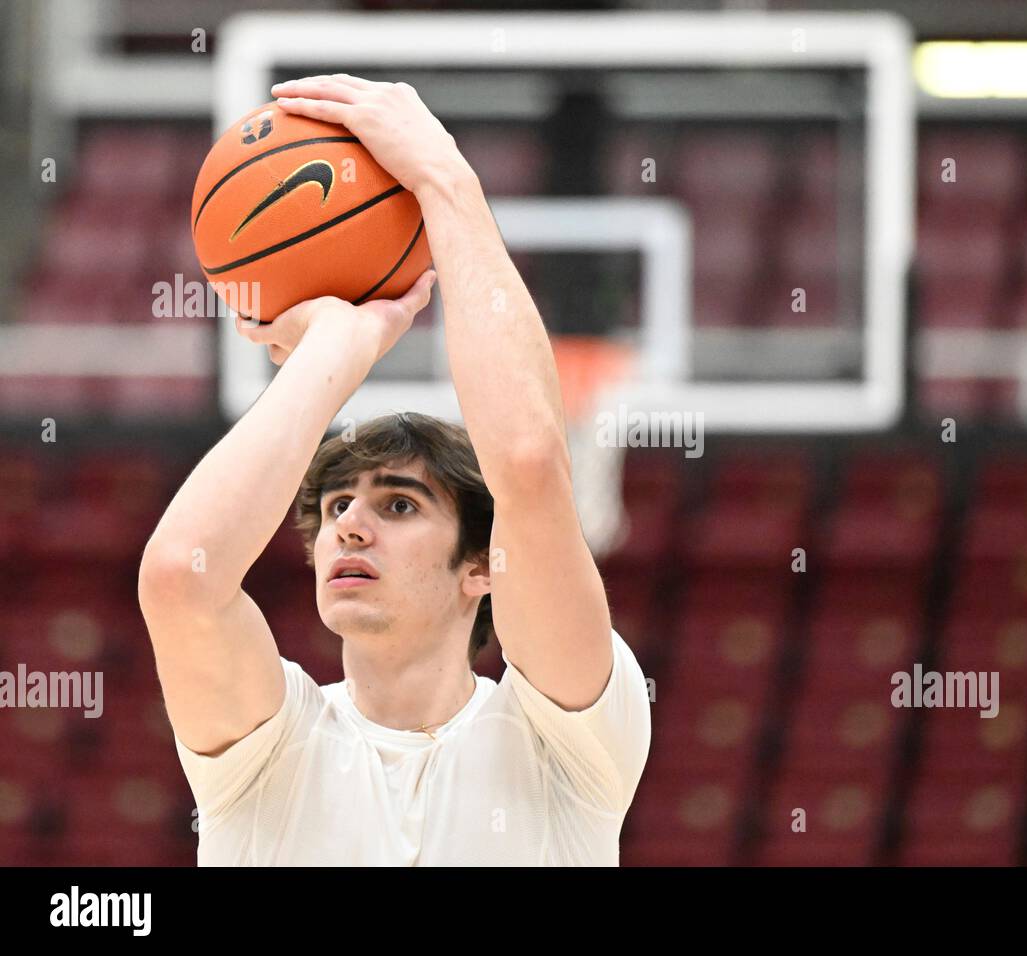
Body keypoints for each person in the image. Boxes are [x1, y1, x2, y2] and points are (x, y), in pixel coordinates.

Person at [137, 75, 651, 865]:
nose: (349, 522)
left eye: (401, 505)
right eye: (338, 503)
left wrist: (445, 181)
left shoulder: (570, 744)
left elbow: (526, 462)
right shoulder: (268, 755)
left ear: (483, 564)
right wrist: (333, 351)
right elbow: (181, 578)